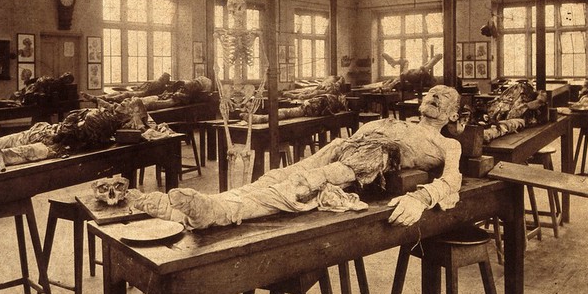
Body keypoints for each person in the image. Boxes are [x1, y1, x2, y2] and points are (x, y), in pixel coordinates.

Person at [133, 84, 463, 229]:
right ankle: (195, 209)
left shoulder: (447, 144)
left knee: (296, 188)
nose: (435, 95)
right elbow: (346, 143)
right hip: (343, 150)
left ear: (452, 115)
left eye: (444, 96)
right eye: (433, 92)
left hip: (368, 165)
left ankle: (218, 212)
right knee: (277, 176)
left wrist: (421, 198)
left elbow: (452, 181)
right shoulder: (395, 122)